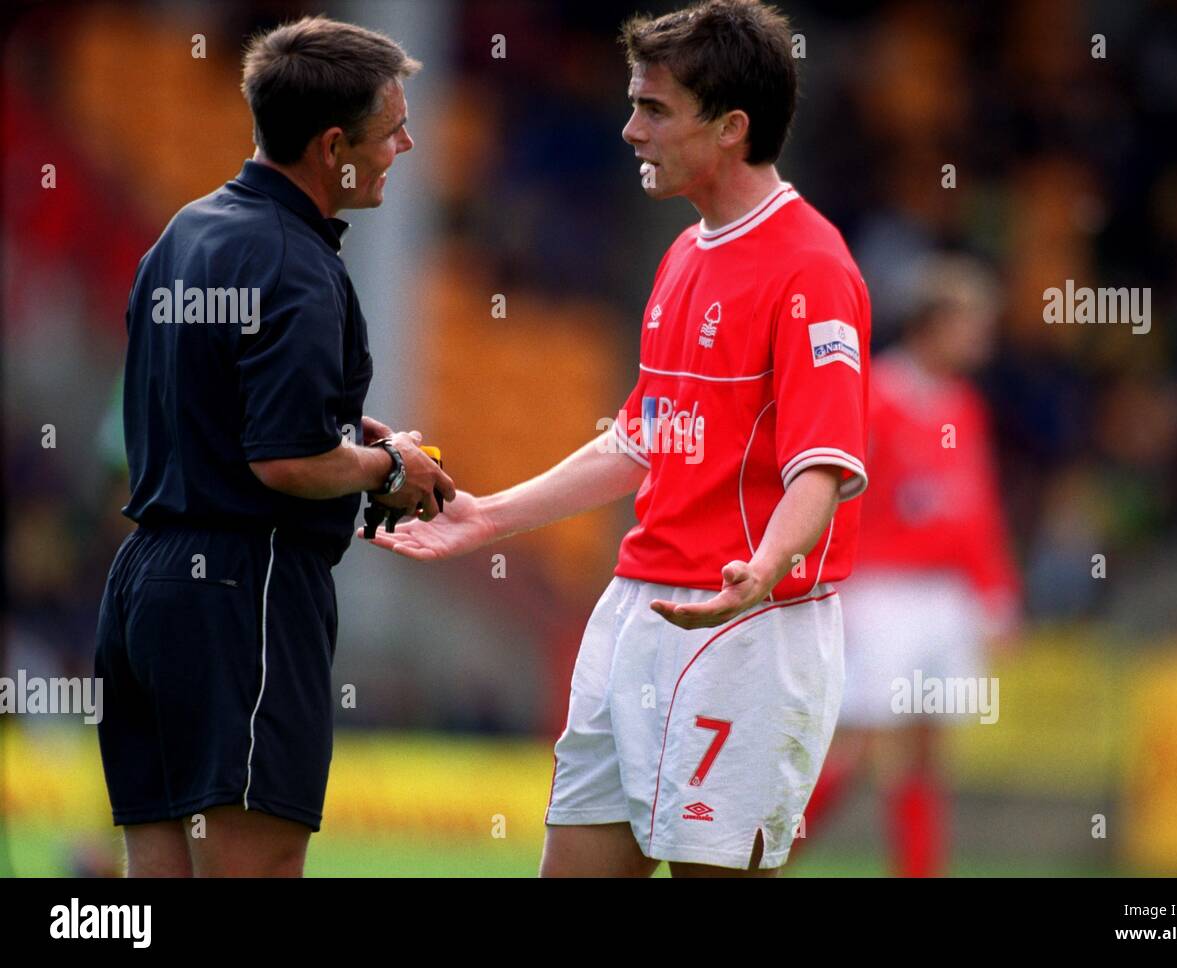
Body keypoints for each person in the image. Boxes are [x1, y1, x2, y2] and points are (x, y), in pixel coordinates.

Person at [366, 0, 869, 877]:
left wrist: (764, 570)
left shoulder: (812, 267)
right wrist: (489, 516)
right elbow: (638, 441)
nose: (631, 129)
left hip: (743, 627)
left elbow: (821, 470)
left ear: (731, 127)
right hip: (635, 614)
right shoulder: (684, 254)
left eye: (655, 109)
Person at [93, 15, 454, 877]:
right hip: (241, 593)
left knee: (154, 882)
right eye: (391, 128)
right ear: (334, 146)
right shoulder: (295, 263)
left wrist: (350, 437)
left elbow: (209, 402)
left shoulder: (187, 230)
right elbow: (284, 463)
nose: (405, 144)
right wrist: (392, 467)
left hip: (145, 587)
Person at [806, 254, 1020, 876]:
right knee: (858, 742)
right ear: (932, 322)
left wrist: (995, 594)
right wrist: (827, 583)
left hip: (944, 599)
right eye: (971, 324)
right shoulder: (874, 393)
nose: (982, 339)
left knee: (927, 750)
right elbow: (832, 495)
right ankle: (765, 858)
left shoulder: (964, 406)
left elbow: (979, 510)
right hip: (881, 593)